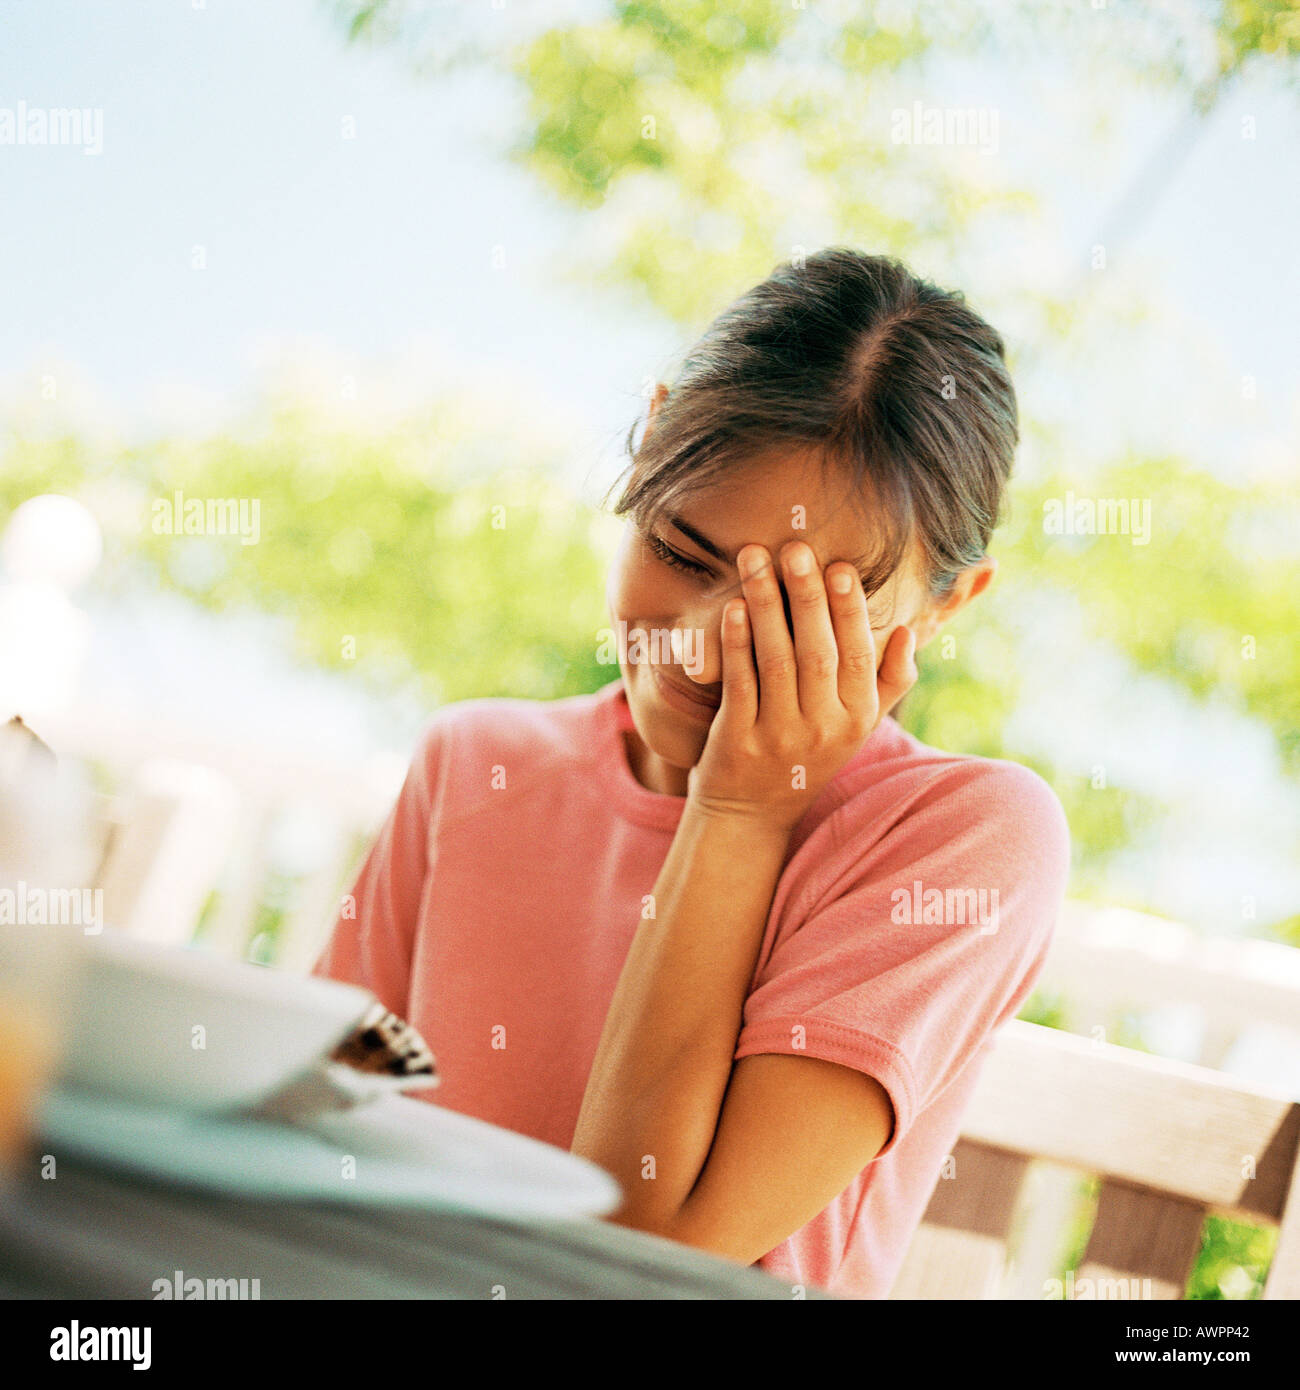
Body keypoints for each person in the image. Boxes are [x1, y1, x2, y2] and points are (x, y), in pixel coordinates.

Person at [312, 247, 1071, 1299]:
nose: (707, 650)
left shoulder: (963, 837)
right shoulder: (474, 765)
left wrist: (740, 814)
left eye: (802, 611)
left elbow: (634, 1252)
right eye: (680, 550)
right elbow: (311, 1136)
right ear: (649, 446)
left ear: (945, 605)